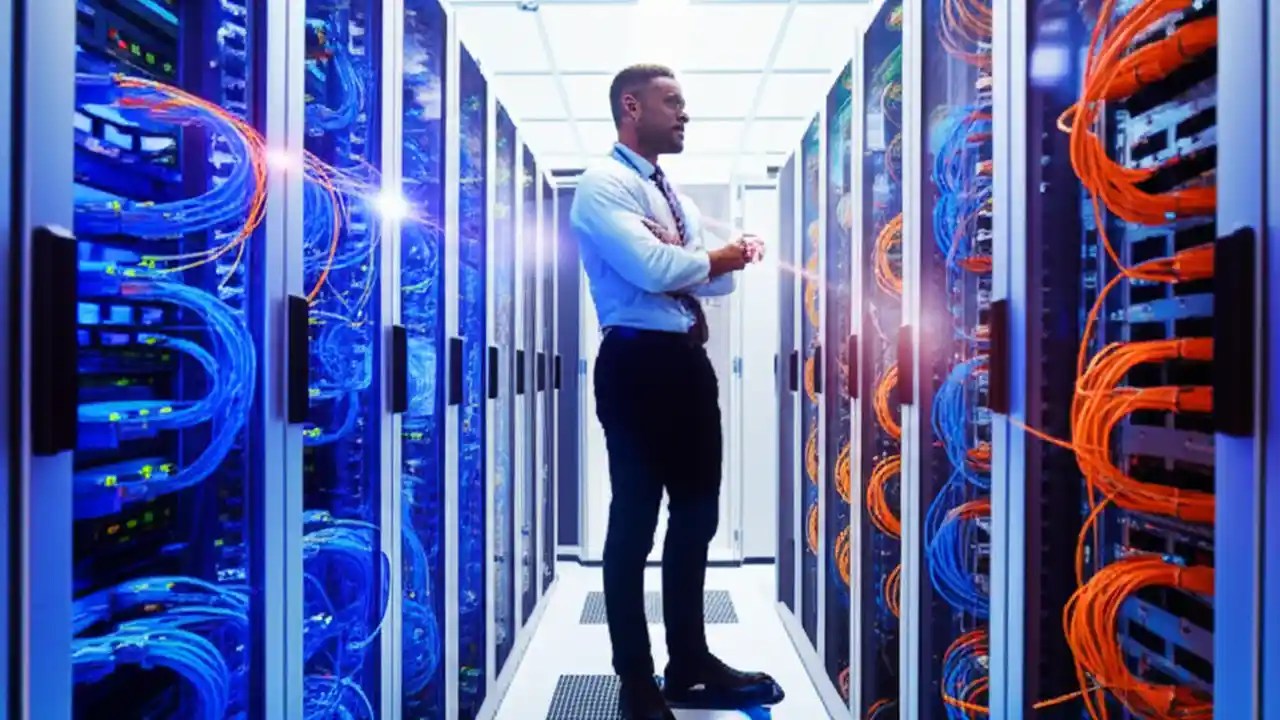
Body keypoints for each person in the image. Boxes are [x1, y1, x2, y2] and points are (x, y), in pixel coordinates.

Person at [569, 64, 777, 720]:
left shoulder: (668, 195)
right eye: (673, 103)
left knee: (697, 516)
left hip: (687, 362)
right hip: (635, 365)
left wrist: (698, 263)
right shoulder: (602, 187)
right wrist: (706, 258)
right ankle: (635, 682)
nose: (685, 115)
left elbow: (713, 283)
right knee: (634, 520)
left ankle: (688, 662)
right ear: (631, 106)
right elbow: (660, 267)